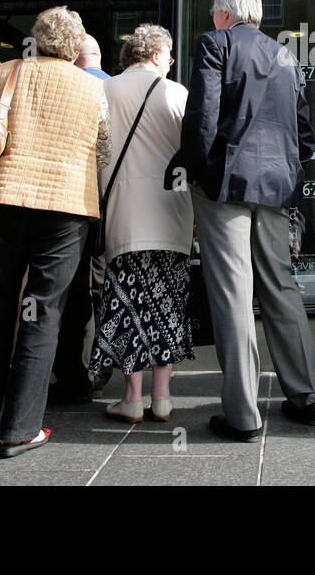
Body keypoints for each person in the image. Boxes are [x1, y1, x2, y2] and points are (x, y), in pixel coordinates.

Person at [165, 0, 315, 442]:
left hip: (225, 184)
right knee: (280, 286)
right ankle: (306, 396)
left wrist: (188, 166)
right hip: (276, 187)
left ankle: (243, 414)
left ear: (224, 13)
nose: (213, 18)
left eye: (214, 11)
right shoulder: (284, 55)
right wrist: (286, 167)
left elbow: (203, 117)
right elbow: (305, 131)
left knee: (233, 292)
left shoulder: (214, 44)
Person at [0, 7, 111, 457]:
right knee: (43, 311)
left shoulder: (7, 71)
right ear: (76, 43)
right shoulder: (92, 87)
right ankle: (19, 427)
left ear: (37, 38)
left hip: (0, 199)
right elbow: (101, 150)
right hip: (64, 208)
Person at [92, 25, 195, 422]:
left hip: (123, 214)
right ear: (154, 55)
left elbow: (96, 150)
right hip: (171, 213)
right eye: (169, 55)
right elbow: (194, 150)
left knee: (126, 299)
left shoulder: (105, 91)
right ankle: (163, 396)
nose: (171, 63)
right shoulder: (177, 93)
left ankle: (131, 397)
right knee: (168, 303)